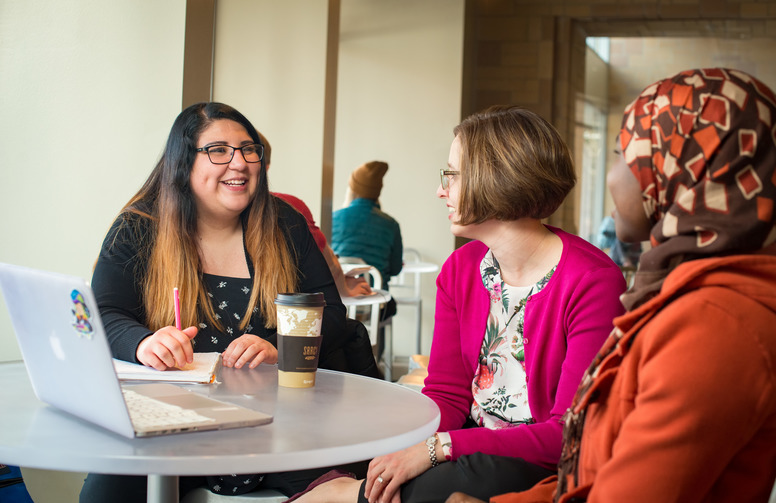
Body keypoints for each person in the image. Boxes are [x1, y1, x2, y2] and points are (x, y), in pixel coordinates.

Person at [447, 68, 776, 503]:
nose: (611, 176)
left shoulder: (714, 325)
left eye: (625, 153)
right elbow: (593, 473)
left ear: (682, 171)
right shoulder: (686, 292)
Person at [288, 105, 626, 503]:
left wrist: (436, 450)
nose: (441, 189)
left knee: (409, 487)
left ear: (498, 177)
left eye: (451, 174)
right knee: (379, 467)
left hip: (539, 466)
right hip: (466, 445)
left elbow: (568, 432)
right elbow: (447, 395)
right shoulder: (461, 269)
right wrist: (403, 453)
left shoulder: (592, 281)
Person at [80, 102, 366, 502]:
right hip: (170, 421)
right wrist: (143, 343)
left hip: (278, 419)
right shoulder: (138, 227)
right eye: (218, 150)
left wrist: (279, 344)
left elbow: (332, 314)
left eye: (249, 150)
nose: (239, 163)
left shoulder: (285, 223)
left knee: (348, 492)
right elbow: (105, 314)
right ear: (183, 163)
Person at [258, 131, 372, 298]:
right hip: (288, 309)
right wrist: (344, 290)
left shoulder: (212, 215)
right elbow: (327, 260)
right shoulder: (291, 206)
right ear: (267, 167)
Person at [331, 161, 403, 287]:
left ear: (352, 190)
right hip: (375, 298)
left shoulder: (332, 218)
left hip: (339, 298)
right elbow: (395, 269)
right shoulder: (391, 225)